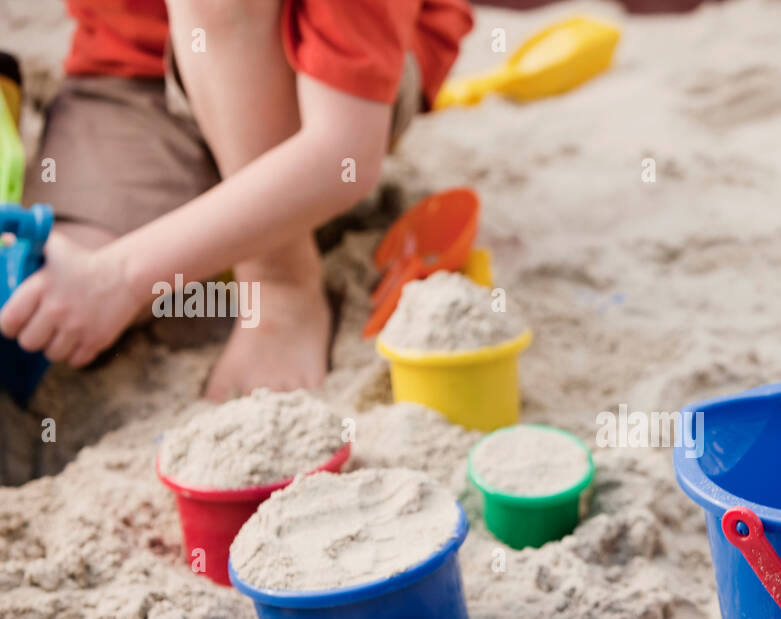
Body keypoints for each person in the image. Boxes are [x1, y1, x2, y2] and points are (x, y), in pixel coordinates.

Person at [0, 0, 471, 400]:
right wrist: (98, 277)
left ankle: (280, 284)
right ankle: (240, 214)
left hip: (317, 80)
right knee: (42, 294)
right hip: (133, 73)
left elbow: (345, 151)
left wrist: (122, 276)